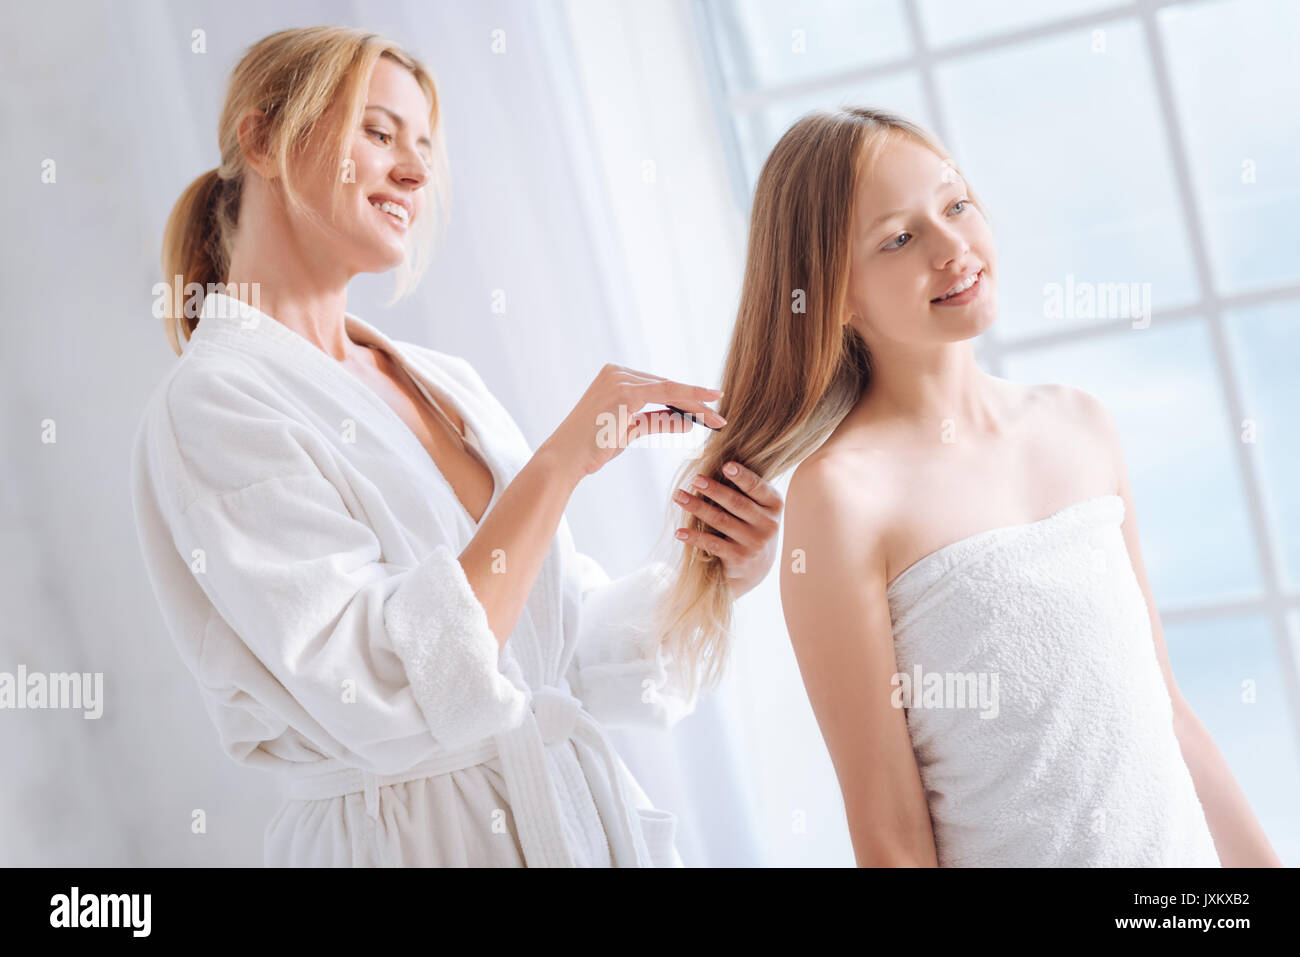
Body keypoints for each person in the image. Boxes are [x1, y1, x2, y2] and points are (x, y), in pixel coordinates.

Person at [129, 26, 784, 867]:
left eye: (424, 146)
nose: (413, 170)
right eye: (378, 133)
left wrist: (723, 568)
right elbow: (390, 688)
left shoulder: (446, 382)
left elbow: (564, 647)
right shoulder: (216, 401)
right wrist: (559, 462)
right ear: (261, 140)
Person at [654, 106, 1280, 867]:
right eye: (899, 238)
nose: (953, 248)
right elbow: (888, 825)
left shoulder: (1080, 424)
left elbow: (1168, 713)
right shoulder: (844, 499)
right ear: (836, 297)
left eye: (955, 205)